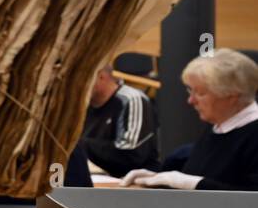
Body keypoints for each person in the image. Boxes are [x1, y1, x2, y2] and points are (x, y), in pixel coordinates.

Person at [120, 48, 258, 191]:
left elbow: (250, 199)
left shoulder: (252, 133)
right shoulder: (220, 125)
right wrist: (157, 178)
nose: (191, 101)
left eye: (201, 93)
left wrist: (189, 183)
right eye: (190, 91)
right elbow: (207, 178)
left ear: (232, 96)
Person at [81, 65, 159, 177]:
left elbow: (130, 155)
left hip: (131, 183)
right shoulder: (81, 104)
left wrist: (81, 145)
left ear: (101, 76)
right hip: (93, 179)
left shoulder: (131, 99)